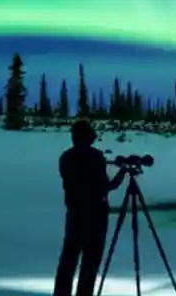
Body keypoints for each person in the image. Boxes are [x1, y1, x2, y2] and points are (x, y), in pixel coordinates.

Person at [53, 119, 127, 296]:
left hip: (74, 218)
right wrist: (122, 171)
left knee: (68, 261)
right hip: (95, 219)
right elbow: (105, 186)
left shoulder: (66, 158)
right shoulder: (95, 157)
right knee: (90, 263)